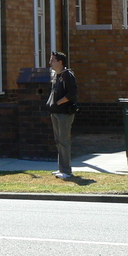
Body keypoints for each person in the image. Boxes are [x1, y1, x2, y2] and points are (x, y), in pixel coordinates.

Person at [47, 50, 78, 179]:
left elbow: (72, 93)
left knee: (64, 141)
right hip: (55, 112)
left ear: (60, 62)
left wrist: (59, 102)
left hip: (64, 113)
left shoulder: (68, 75)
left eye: (53, 60)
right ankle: (61, 168)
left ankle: (67, 171)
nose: (50, 63)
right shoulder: (56, 76)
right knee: (58, 141)